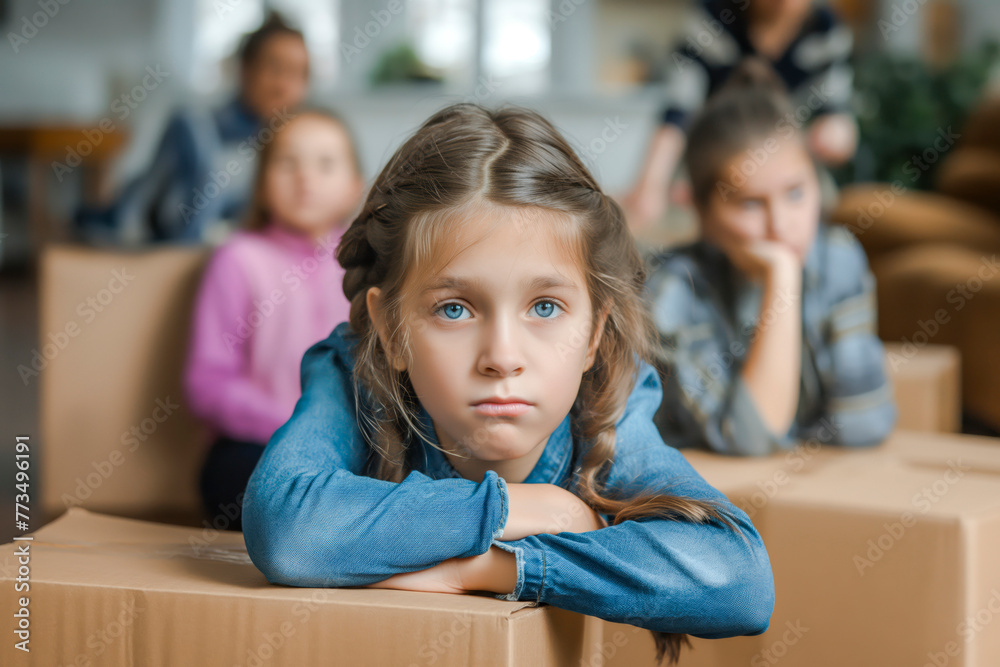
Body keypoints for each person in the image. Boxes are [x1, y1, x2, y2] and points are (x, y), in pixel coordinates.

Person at [241, 102, 774, 666]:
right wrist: (529, 509)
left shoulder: (607, 408)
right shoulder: (352, 374)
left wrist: (495, 568)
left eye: (544, 307)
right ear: (391, 330)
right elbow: (286, 529)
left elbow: (739, 582)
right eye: (454, 309)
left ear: (593, 334)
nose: (501, 358)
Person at [644, 58, 897, 457]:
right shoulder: (675, 288)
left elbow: (863, 422)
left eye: (796, 193)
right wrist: (783, 277)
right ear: (702, 212)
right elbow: (751, 437)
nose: (781, 225)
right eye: (750, 204)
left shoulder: (837, 257)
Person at [183, 108, 365, 531]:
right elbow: (206, 385)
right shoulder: (237, 259)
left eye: (325, 164)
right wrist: (294, 427)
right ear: (261, 184)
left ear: (355, 187)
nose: (305, 178)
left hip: (356, 444)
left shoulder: (369, 263)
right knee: (245, 481)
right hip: (259, 445)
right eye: (287, 162)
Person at [621, 0, 858, 232]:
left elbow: (837, 110)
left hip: (786, 159)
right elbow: (678, 108)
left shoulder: (826, 29)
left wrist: (836, 134)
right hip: (715, 164)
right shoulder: (713, 17)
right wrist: (651, 182)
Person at [75, 12, 310, 244]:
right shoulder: (194, 128)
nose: (284, 86)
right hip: (155, 239)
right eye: (275, 69)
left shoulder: (301, 145)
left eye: (298, 74)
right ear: (245, 70)